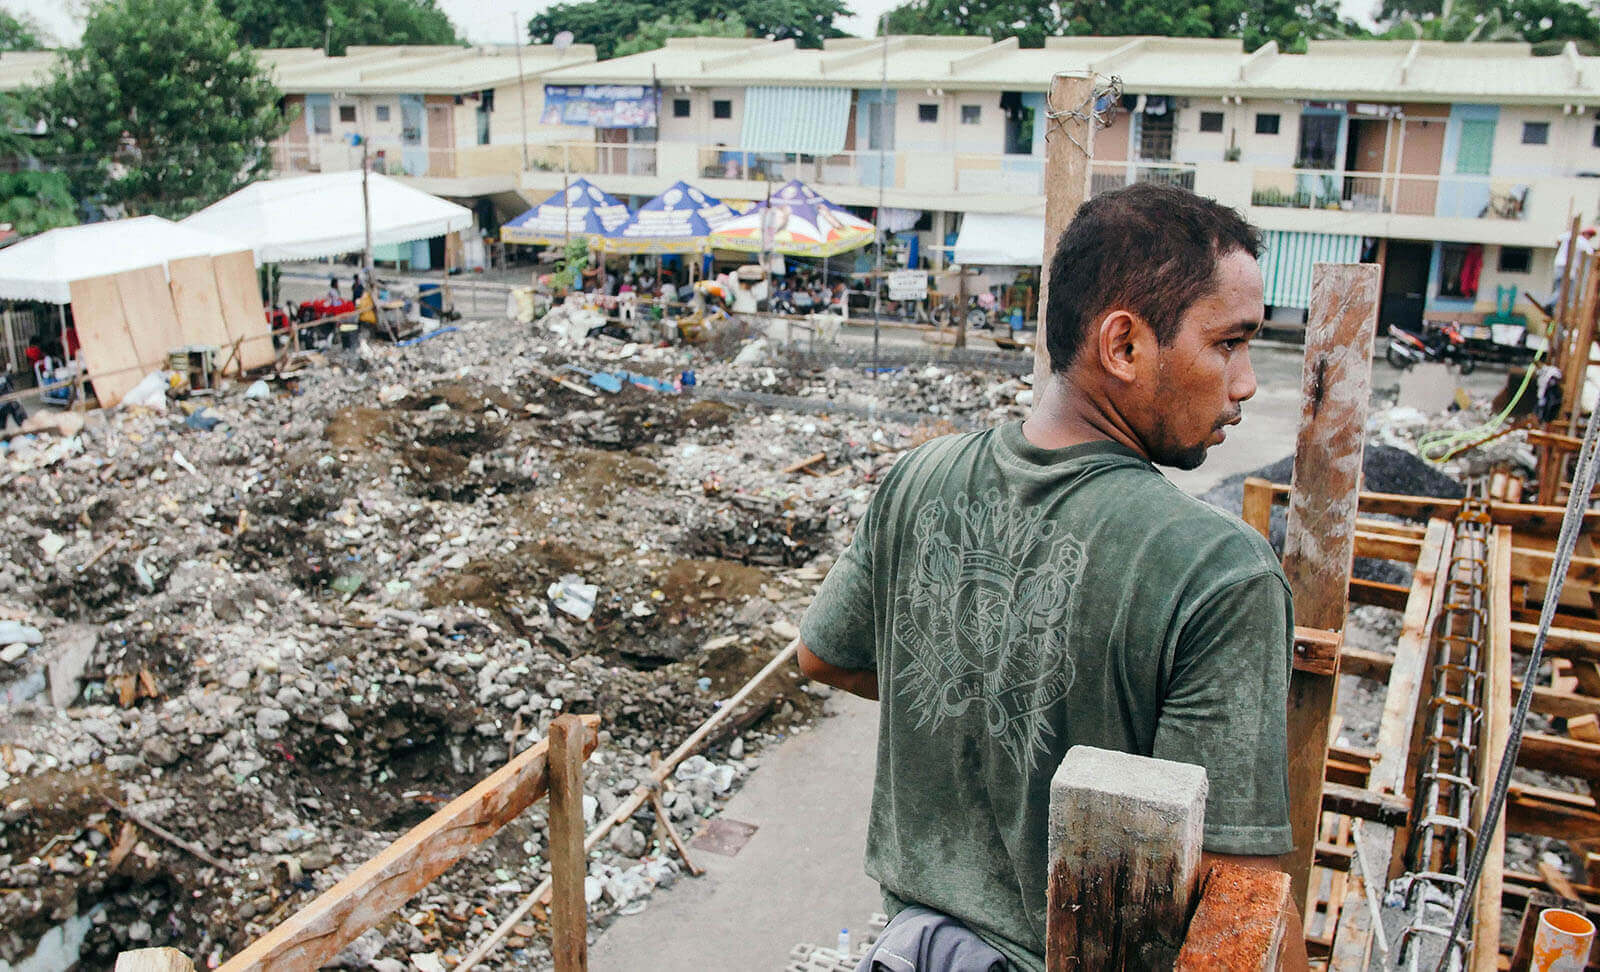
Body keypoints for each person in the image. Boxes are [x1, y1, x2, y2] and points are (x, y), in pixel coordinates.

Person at [796, 183, 1305, 972]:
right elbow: (1240, 902)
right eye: (1229, 343)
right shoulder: (1219, 571)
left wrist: (971, 686)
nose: (1244, 383)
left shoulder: (920, 476)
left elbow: (824, 656)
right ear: (1124, 346)